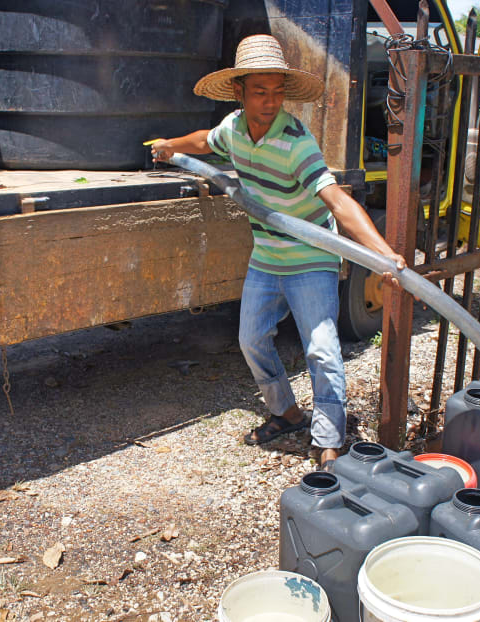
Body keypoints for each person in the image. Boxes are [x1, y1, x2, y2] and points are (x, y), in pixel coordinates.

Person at [151, 34, 405, 469]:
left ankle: (329, 440)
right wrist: (172, 145)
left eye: (276, 91)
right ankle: (286, 413)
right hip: (268, 256)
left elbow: (338, 201)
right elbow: (206, 140)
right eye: (259, 91)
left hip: (311, 256)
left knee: (321, 348)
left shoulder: (296, 143)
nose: (269, 102)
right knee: (251, 340)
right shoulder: (233, 129)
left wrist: (385, 254)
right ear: (239, 92)